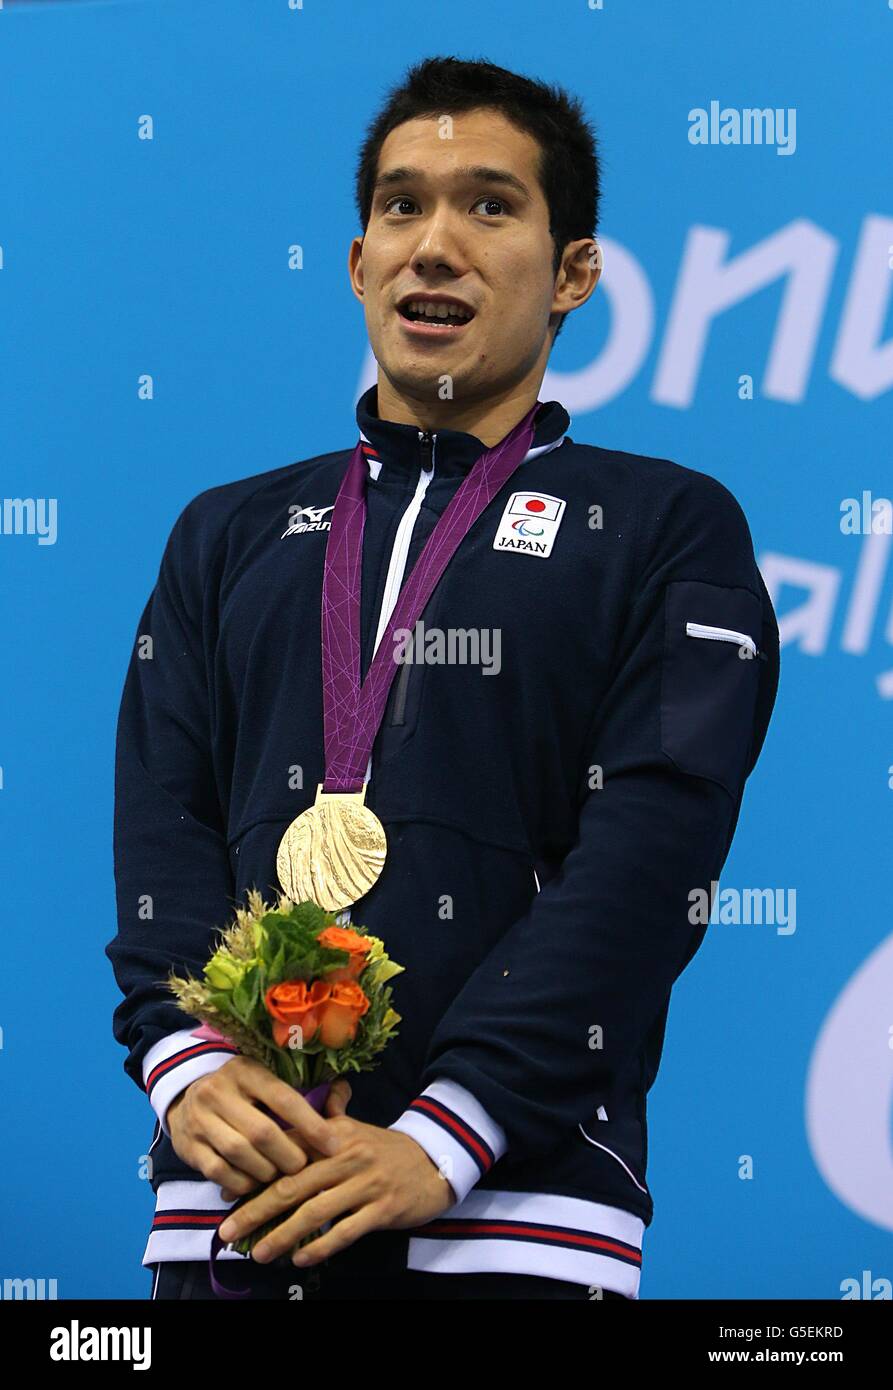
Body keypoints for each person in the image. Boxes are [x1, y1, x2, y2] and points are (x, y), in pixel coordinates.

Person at [107, 55, 780, 1302]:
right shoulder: (227, 531)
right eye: (401, 206)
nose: (434, 246)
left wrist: (446, 1131)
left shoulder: (663, 527)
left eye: (488, 205)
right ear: (356, 261)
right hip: (233, 1205)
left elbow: (647, 858)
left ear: (573, 268)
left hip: (513, 1218)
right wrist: (189, 1066)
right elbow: (163, 831)